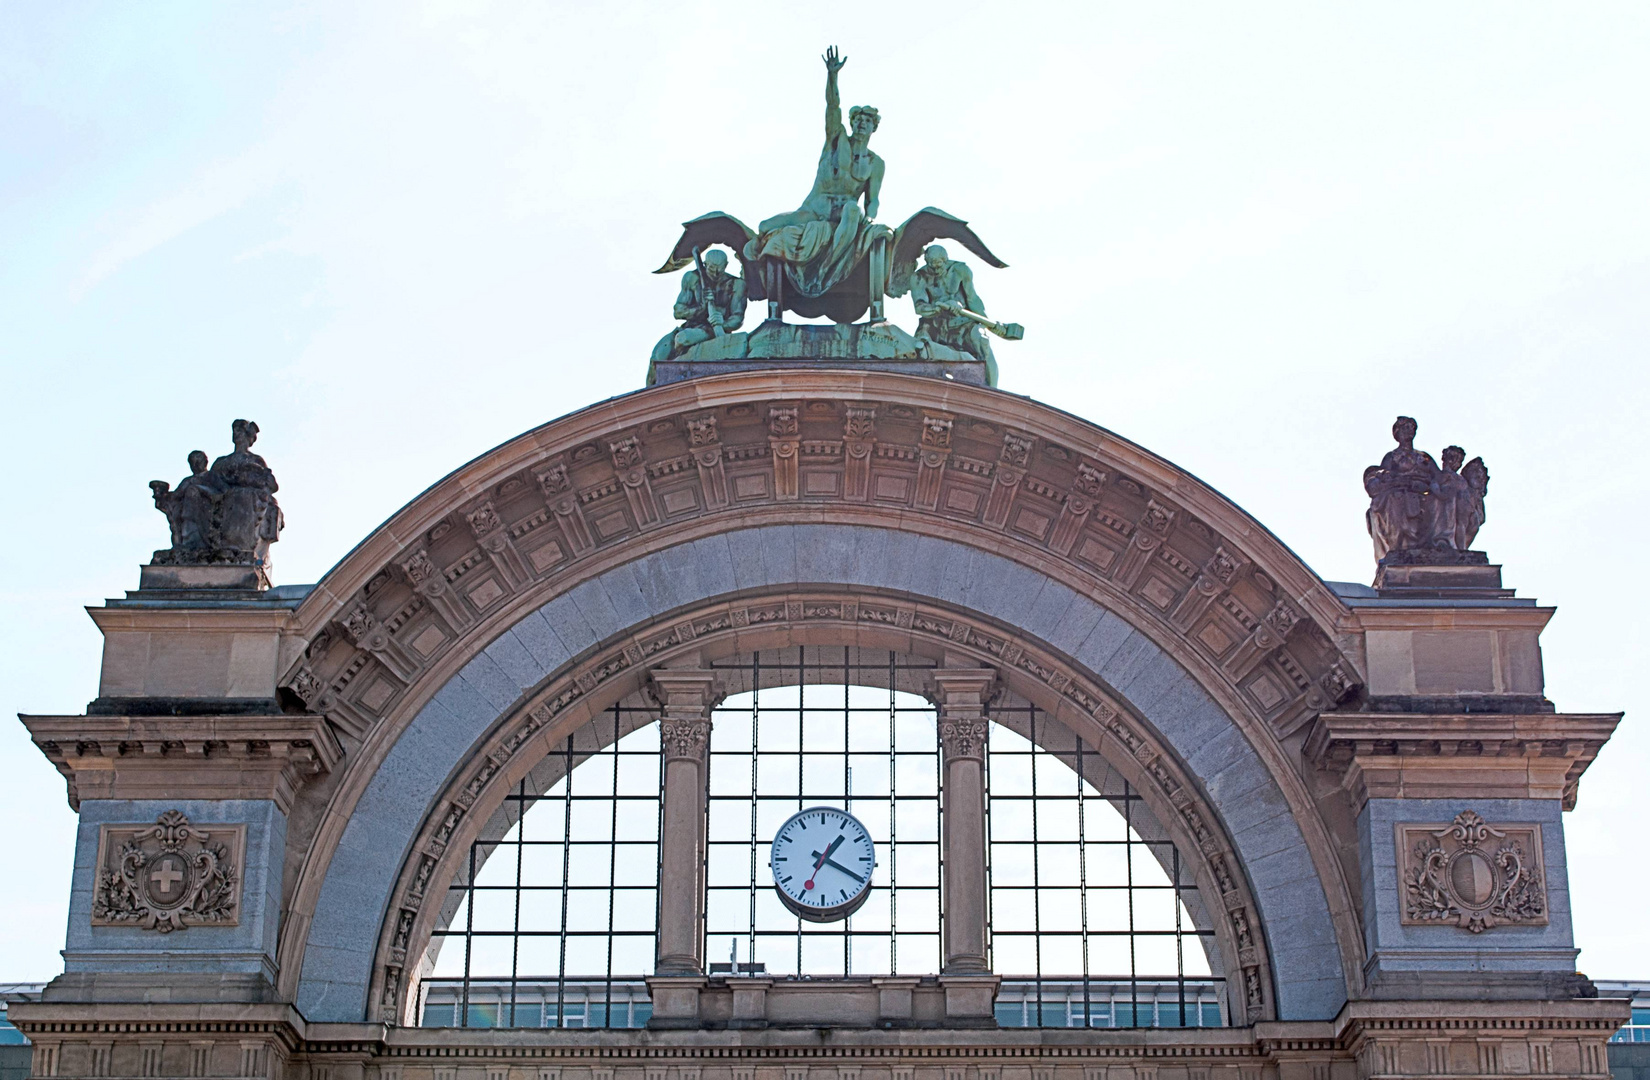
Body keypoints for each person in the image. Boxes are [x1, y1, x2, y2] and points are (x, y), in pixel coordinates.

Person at [744, 47, 891, 302]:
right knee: (765, 227)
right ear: (852, 122)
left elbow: (873, 200)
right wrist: (832, 76)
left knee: (853, 212)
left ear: (873, 127)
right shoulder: (836, 140)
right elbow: (832, 105)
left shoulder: (876, 163)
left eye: (867, 121)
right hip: (813, 210)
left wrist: (870, 217)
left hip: (843, 216)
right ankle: (758, 276)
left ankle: (826, 271)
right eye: (858, 120)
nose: (861, 124)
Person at [909, 245, 996, 380]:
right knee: (918, 350)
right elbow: (919, 307)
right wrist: (938, 308)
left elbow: (972, 299)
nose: (936, 270)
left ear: (945, 260)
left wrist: (986, 322)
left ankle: (993, 391)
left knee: (983, 342)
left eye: (939, 265)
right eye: (932, 266)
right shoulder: (919, 277)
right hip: (934, 324)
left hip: (964, 323)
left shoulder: (960, 270)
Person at [650, 249, 747, 362]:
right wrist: (702, 308)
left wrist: (722, 323)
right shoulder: (691, 278)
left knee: (683, 339)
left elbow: (738, 318)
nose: (715, 273)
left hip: (713, 330)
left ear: (726, 265)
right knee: (659, 354)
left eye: (719, 270)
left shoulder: (737, 284)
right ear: (705, 264)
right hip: (691, 325)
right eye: (711, 269)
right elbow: (678, 311)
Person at [1364, 416, 1438, 561]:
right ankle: (1397, 543)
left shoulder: (1423, 457)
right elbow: (1385, 478)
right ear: (1397, 433)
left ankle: (1442, 541)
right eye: (1404, 428)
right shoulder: (1392, 457)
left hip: (1424, 491)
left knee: (1437, 500)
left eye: (1411, 428)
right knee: (1394, 499)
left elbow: (1437, 476)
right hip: (1400, 492)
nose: (1408, 432)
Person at [209, 419, 282, 567]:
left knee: (244, 496)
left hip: (247, 498)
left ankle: (239, 547)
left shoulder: (255, 460)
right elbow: (211, 480)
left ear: (249, 438)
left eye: (240, 432)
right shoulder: (221, 461)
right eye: (234, 431)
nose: (237, 435)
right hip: (224, 496)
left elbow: (272, 485)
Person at [151, 450, 224, 555]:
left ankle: (200, 544)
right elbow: (176, 496)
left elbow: (223, 492)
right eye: (193, 462)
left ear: (205, 462)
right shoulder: (188, 480)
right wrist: (162, 496)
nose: (196, 465)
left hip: (206, 511)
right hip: (187, 514)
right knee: (186, 524)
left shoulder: (211, 476)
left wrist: (201, 490)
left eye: (198, 461)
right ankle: (188, 544)